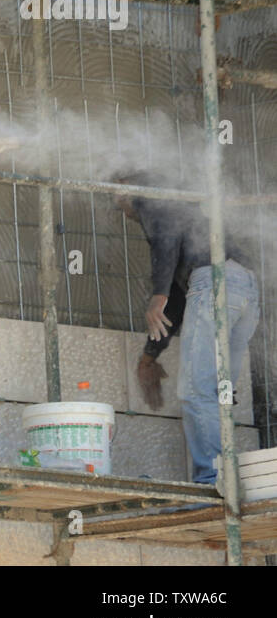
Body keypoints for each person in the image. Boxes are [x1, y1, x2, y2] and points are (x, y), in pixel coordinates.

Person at [116, 174, 260, 483]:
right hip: (244, 289)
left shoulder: (150, 197)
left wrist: (158, 294)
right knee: (218, 393)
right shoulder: (186, 212)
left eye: (119, 199)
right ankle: (227, 480)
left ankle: (212, 480)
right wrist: (149, 356)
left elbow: (166, 240)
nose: (123, 211)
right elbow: (178, 304)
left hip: (213, 283)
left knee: (196, 391)